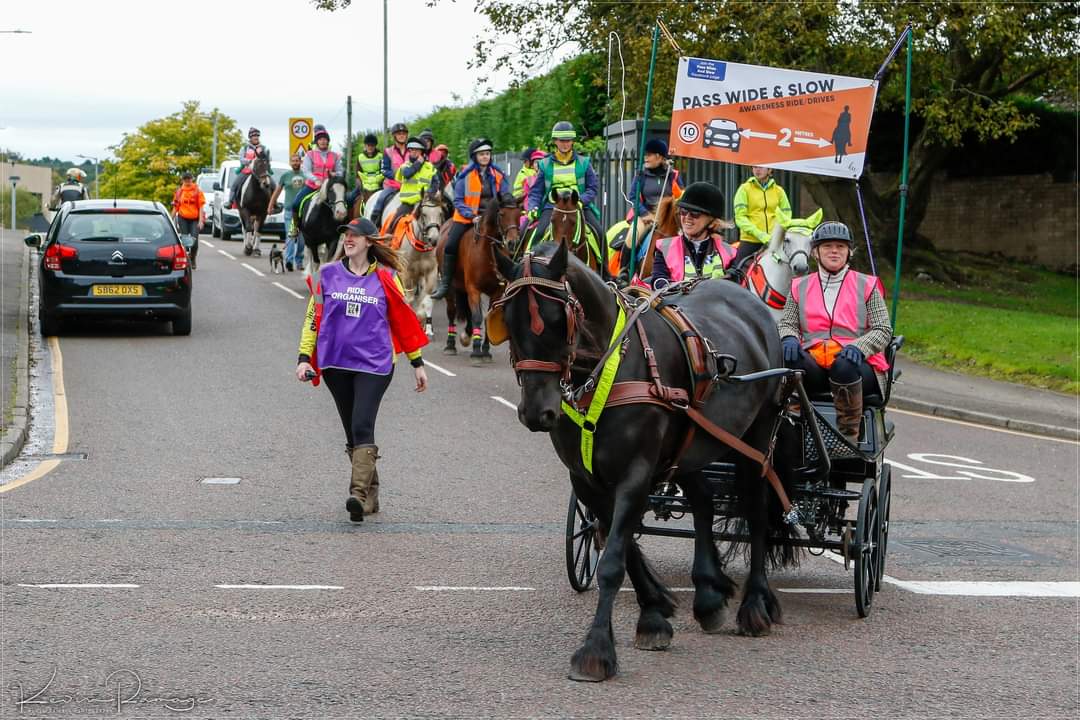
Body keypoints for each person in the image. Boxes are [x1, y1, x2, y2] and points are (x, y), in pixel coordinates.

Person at [296, 216, 429, 522]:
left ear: (369, 242)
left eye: (356, 235)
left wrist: (417, 362)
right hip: (335, 363)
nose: (349, 238)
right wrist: (304, 357)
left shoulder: (385, 277)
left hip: (375, 364)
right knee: (352, 433)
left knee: (361, 425)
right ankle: (371, 494)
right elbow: (313, 319)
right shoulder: (327, 274)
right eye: (346, 234)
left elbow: (403, 321)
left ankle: (357, 495)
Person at [777, 221, 892, 443]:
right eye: (827, 246)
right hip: (816, 361)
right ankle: (792, 432)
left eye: (840, 246)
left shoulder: (867, 284)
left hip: (857, 365)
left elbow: (883, 329)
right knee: (790, 361)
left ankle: (847, 438)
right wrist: (789, 338)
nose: (834, 251)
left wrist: (859, 347)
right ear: (815, 252)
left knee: (843, 365)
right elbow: (787, 323)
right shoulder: (798, 286)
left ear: (849, 252)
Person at [431, 138, 510, 300]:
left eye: (487, 154)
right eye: (481, 154)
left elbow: (505, 196)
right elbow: (458, 201)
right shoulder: (464, 175)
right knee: (450, 245)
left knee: (513, 239)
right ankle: (446, 283)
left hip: (493, 219)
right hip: (468, 218)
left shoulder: (499, 174)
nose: (485, 157)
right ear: (474, 157)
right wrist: (472, 216)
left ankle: (512, 279)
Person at [527, 121, 605, 260]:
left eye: (568, 141)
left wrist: (582, 201)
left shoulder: (584, 162)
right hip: (553, 206)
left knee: (599, 232)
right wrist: (533, 207)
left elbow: (592, 188)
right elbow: (536, 191)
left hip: (579, 206)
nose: (565, 144)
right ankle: (525, 264)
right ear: (555, 141)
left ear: (572, 142)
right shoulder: (544, 164)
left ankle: (606, 274)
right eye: (561, 141)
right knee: (536, 234)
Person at [649, 182, 737, 288]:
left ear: (713, 223)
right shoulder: (664, 248)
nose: (687, 217)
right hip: (675, 303)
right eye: (684, 212)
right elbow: (658, 281)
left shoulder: (730, 253)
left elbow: (733, 288)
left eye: (695, 214)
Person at [732, 165, 791, 266]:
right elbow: (740, 218)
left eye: (761, 167)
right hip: (750, 241)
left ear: (770, 169)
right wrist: (760, 234)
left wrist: (776, 234)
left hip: (774, 241)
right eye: (754, 167)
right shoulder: (744, 189)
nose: (757, 170)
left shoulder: (779, 191)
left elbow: (786, 216)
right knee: (737, 270)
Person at [290, 124, 343, 222]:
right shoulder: (310, 154)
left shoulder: (335, 155)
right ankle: (294, 226)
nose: (323, 141)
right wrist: (316, 180)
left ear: (328, 141)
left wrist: (336, 174)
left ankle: (344, 227)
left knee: (345, 202)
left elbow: (340, 171)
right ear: (317, 142)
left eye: (325, 139)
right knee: (295, 204)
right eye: (320, 139)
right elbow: (306, 171)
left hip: (330, 187)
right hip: (313, 186)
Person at [384, 137, 435, 233]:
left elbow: (436, 182)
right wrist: (418, 163)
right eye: (411, 150)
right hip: (408, 203)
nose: (413, 152)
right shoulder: (405, 166)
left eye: (417, 150)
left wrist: (431, 194)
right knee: (395, 219)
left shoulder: (429, 167)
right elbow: (407, 174)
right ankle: (388, 236)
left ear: (422, 152)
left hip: (425, 202)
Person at [268, 154, 306, 271]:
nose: (295, 163)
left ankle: (299, 261)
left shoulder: (306, 176)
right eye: (293, 161)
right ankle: (289, 261)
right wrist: (270, 205)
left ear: (300, 162)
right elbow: (277, 191)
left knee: (301, 240)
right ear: (290, 163)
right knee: (291, 235)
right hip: (290, 211)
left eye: (297, 161)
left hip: (303, 211)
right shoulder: (285, 176)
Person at [370, 122, 410, 227]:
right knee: (380, 200)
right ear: (394, 136)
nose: (401, 135)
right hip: (392, 186)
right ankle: (374, 225)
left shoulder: (412, 150)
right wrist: (398, 176)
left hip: (410, 186)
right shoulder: (388, 151)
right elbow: (384, 170)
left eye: (404, 133)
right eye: (399, 133)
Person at [230, 127, 271, 209]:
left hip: (260, 172)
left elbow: (268, 159)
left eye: (257, 136)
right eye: (253, 136)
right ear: (250, 138)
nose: (256, 137)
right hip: (247, 170)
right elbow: (241, 159)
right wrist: (251, 161)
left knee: (272, 184)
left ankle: (274, 203)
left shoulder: (263, 148)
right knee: (235, 185)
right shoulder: (245, 148)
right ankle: (231, 201)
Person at [171, 171, 205, 269]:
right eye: (185, 180)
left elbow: (201, 207)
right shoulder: (179, 192)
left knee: (194, 241)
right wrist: (170, 219)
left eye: (189, 179)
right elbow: (175, 207)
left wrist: (201, 221)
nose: (187, 182)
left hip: (195, 219)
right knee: (185, 240)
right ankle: (186, 260)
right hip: (183, 218)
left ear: (192, 179)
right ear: (182, 180)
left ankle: (193, 258)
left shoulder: (197, 191)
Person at [346, 133, 383, 208]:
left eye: (372, 145)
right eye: (368, 145)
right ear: (365, 146)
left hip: (377, 183)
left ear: (375, 146)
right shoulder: (360, 157)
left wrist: (380, 182)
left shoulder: (380, 156)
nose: (370, 147)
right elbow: (357, 173)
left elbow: (383, 171)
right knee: (349, 198)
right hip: (364, 184)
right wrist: (360, 184)